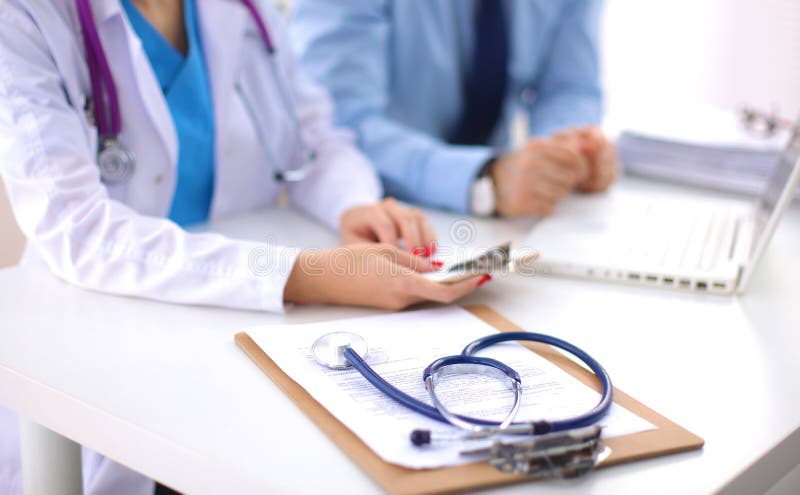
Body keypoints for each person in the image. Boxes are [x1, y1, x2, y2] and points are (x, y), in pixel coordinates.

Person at [0, 1, 488, 493]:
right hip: (101, 354)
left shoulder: (243, 9)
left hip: (240, 346)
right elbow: (78, 230)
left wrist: (356, 204)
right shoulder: (24, 16)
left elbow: (313, 140)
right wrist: (304, 275)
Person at [290, 0, 618, 218]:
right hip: (376, 214)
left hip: (498, 224)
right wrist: (483, 179)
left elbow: (570, 88)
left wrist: (569, 151)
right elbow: (336, 127)